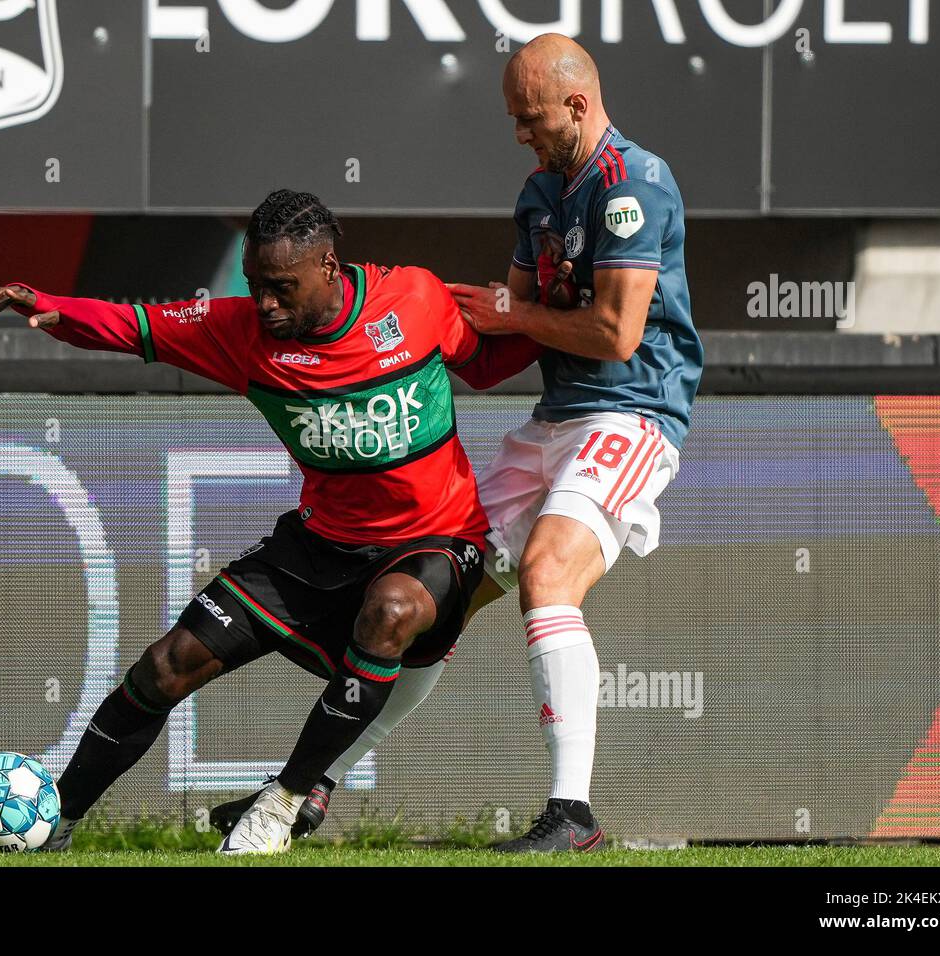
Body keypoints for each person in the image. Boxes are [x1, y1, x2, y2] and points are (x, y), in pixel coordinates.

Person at [0, 189, 539, 855]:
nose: (267, 304)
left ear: (329, 266)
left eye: (282, 288)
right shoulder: (241, 331)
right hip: (317, 548)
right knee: (167, 667)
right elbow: (138, 326)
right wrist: (52, 309)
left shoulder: (414, 299)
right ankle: (55, 824)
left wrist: (564, 335)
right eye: (256, 287)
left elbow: (483, 363)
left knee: (392, 609)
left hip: (436, 544)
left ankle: (281, 805)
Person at [214, 35, 703, 854]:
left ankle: (571, 815)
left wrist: (513, 316)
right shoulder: (541, 192)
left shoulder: (634, 186)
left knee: (548, 572)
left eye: (530, 118)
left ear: (577, 106)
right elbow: (503, 319)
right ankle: (308, 790)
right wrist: (433, 322)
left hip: (632, 411)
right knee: (441, 599)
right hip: (557, 418)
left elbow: (617, 334)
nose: (520, 134)